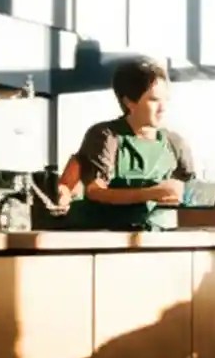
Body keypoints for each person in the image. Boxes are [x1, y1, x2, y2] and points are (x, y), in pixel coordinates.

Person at [67, 57, 195, 231]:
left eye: (165, 99)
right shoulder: (106, 136)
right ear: (129, 101)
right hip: (109, 236)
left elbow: (191, 192)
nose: (163, 107)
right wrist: (150, 194)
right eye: (154, 100)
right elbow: (95, 191)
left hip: (162, 238)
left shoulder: (175, 143)